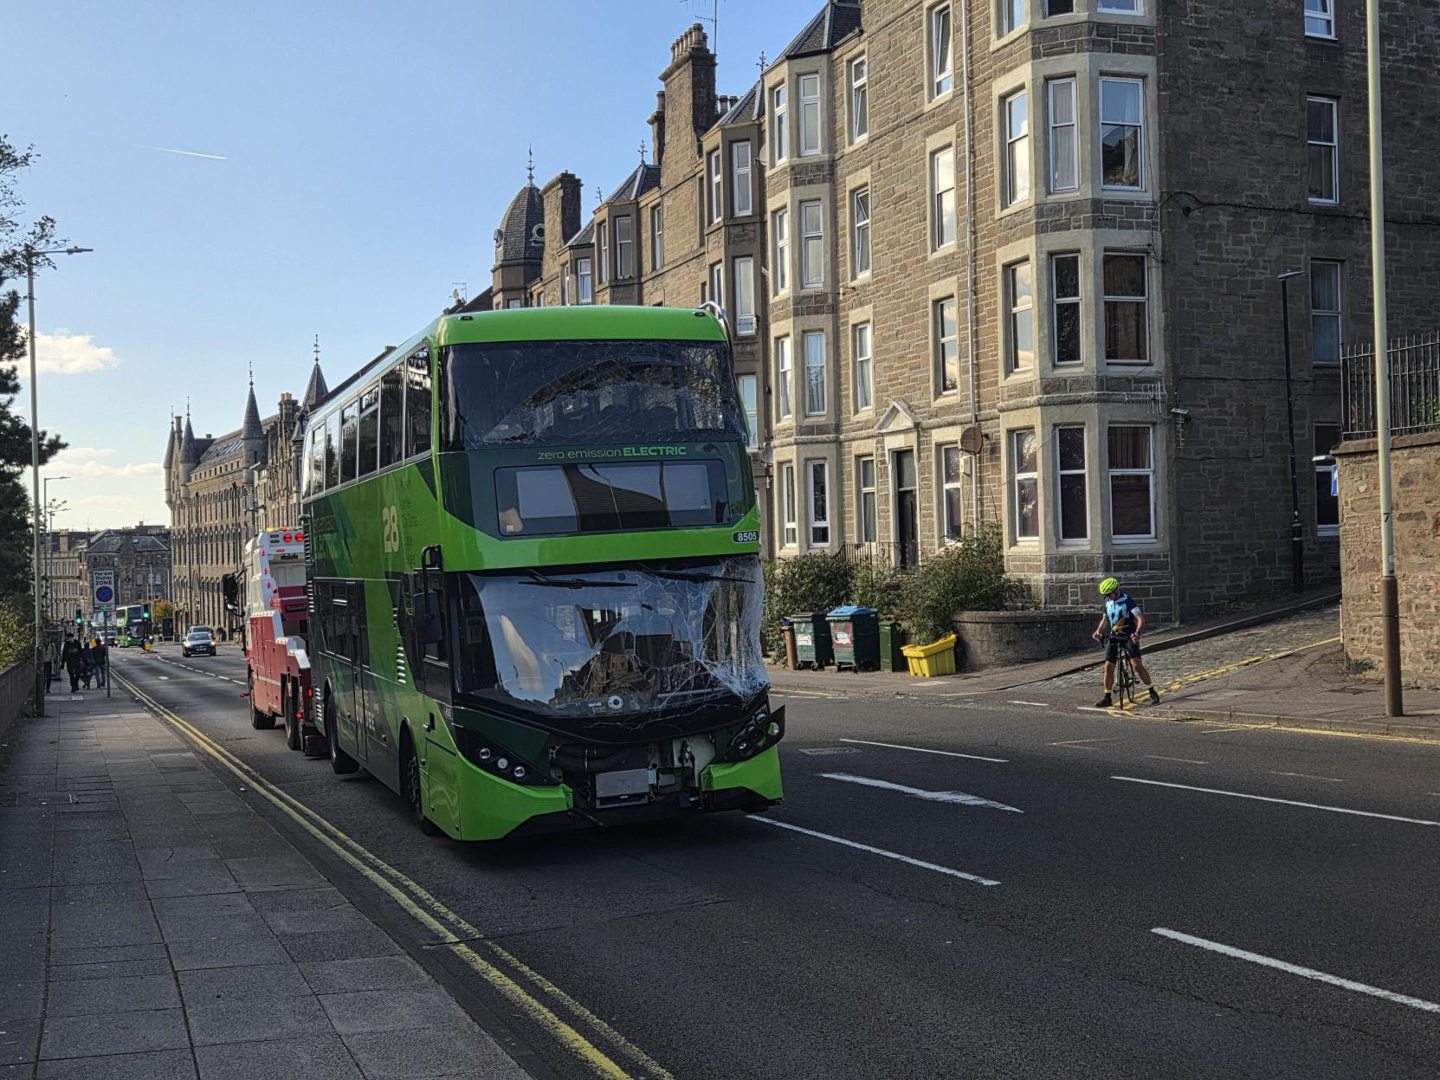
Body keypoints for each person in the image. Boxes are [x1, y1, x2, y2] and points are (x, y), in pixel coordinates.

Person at [1091, 577, 1160, 707]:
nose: (1108, 597)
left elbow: (1140, 618)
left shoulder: (1128, 601)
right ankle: (1107, 697)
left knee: (1137, 665)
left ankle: (1152, 691)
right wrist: (1098, 631)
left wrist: (1137, 633)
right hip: (1114, 637)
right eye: (1106, 595)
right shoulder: (1107, 601)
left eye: (1109, 594)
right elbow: (1105, 619)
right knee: (1108, 667)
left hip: (1129, 637)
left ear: (1116, 590)